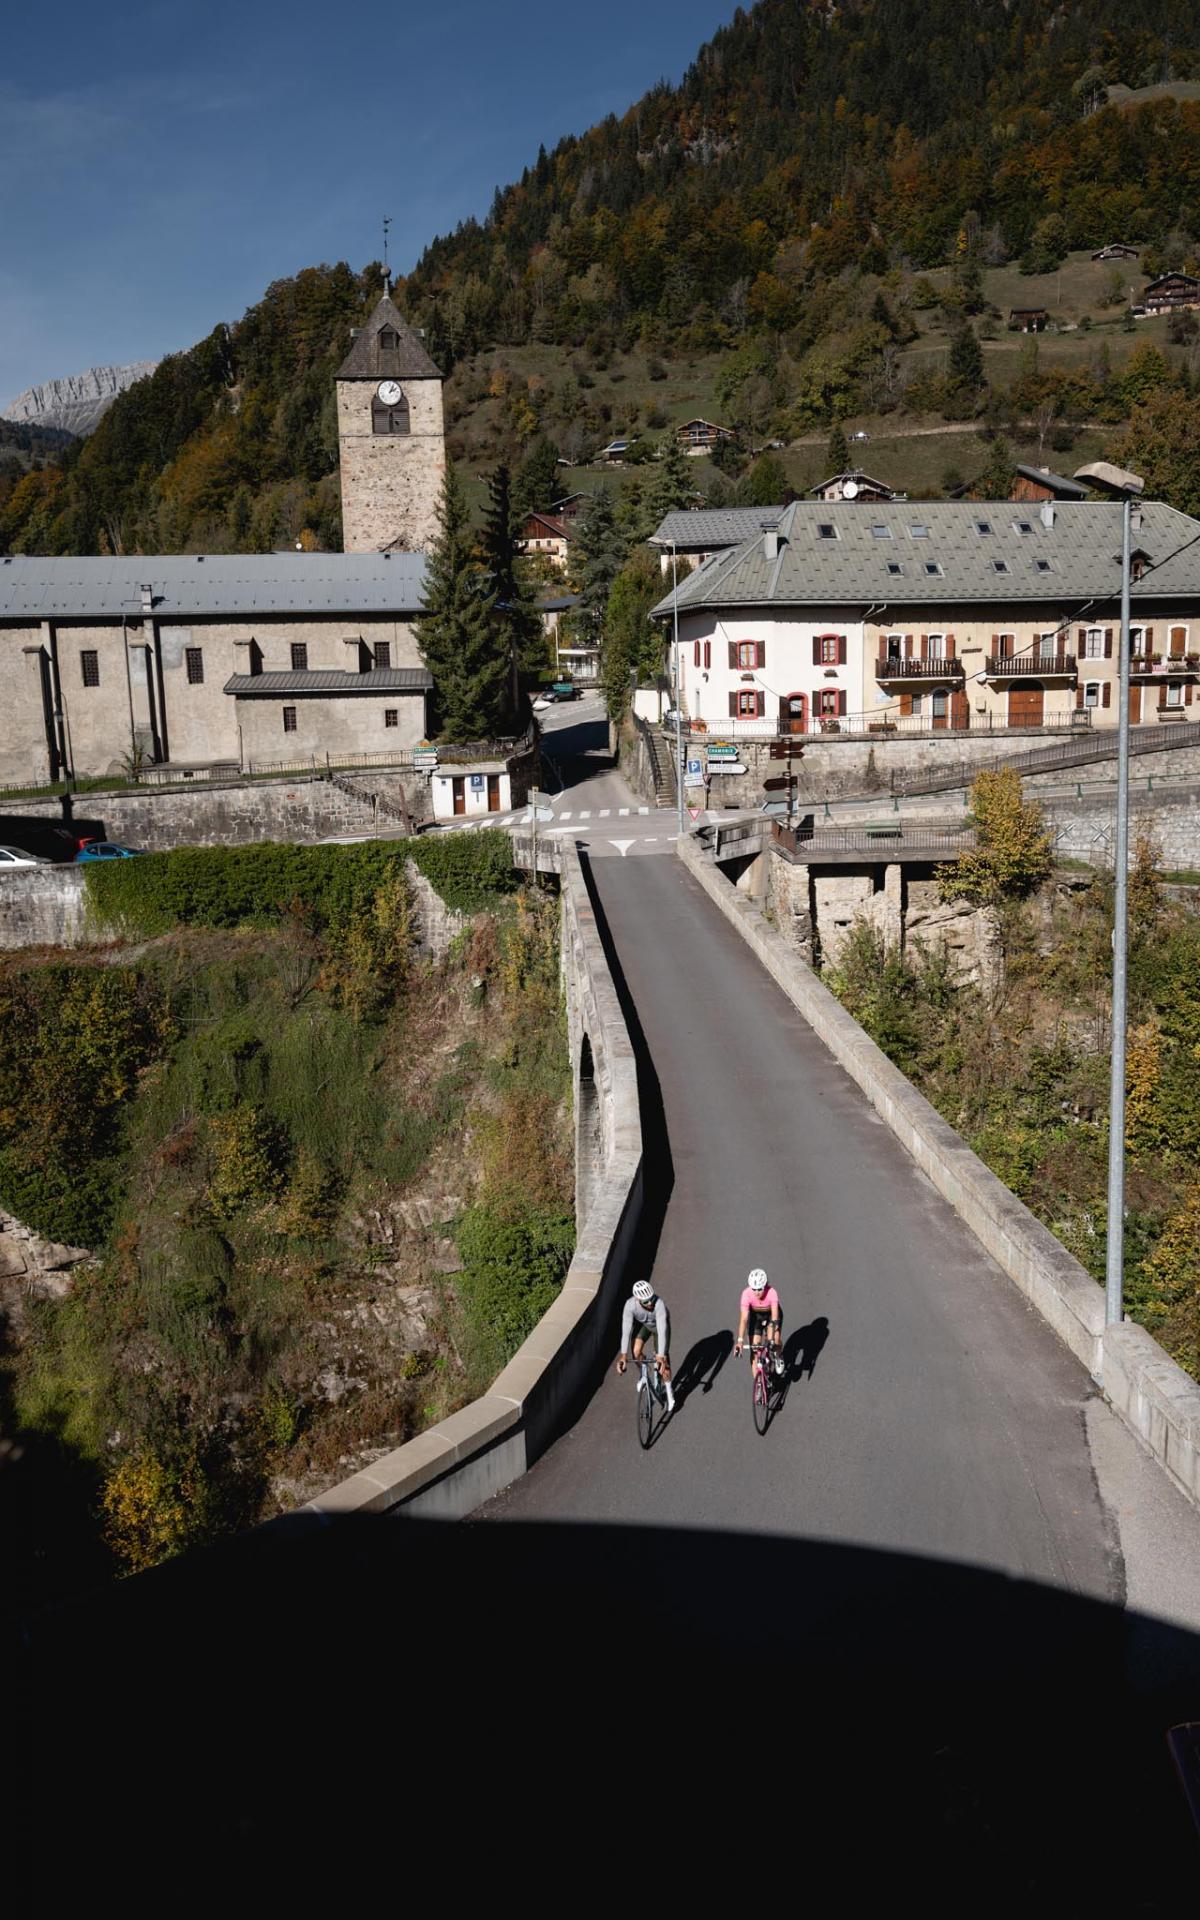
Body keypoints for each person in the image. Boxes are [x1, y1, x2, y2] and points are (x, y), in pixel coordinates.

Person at [616, 1279, 675, 1413]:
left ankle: (670, 1393)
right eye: (645, 1301)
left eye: (651, 1299)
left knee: (663, 1365)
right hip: (644, 1326)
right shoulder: (630, 1306)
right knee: (636, 1352)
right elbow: (626, 1331)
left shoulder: (659, 1304)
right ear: (637, 1299)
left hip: (660, 1328)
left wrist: (660, 1356)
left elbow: (661, 1330)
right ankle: (644, 1374)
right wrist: (623, 1356)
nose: (650, 1303)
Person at [735, 1268, 785, 1377]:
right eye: (754, 1289)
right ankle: (758, 1384)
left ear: (765, 1286)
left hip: (771, 1316)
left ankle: (779, 1355)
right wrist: (739, 1341)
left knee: (774, 1341)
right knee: (754, 1349)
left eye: (759, 1289)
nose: (756, 1292)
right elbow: (743, 1319)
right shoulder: (746, 1294)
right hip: (756, 1318)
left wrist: (770, 1338)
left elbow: (775, 1316)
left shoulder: (772, 1292)